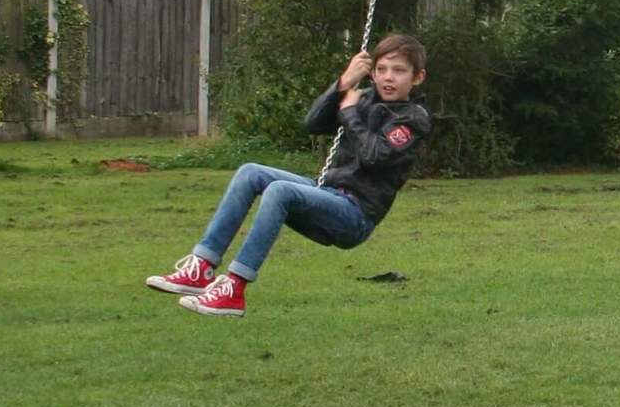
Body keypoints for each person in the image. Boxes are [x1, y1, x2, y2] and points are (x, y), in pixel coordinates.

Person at [146, 33, 431, 316]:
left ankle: (234, 288)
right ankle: (202, 266)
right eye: (381, 69)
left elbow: (375, 156)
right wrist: (343, 83)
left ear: (417, 77)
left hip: (354, 215)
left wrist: (351, 115)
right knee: (250, 173)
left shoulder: (412, 118)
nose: (388, 77)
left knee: (280, 190)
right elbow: (312, 123)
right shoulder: (363, 98)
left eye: (398, 71)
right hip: (326, 192)